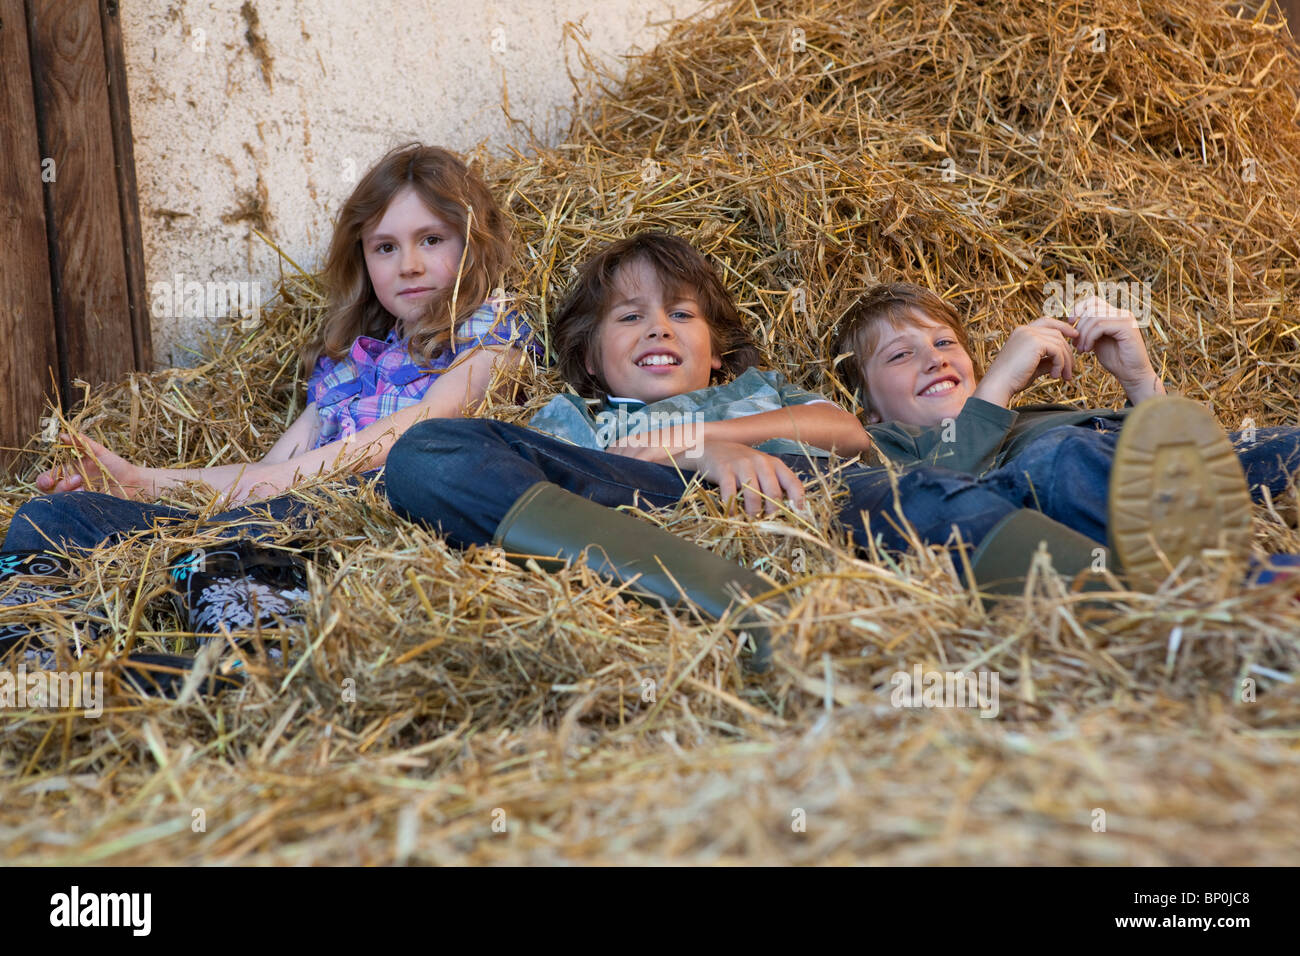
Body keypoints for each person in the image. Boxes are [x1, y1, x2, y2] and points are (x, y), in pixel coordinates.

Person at [381, 234, 1221, 671]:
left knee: (918, 495)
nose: (659, 328)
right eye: (629, 318)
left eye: (681, 314)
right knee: (428, 453)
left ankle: (1151, 621)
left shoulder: (765, 394)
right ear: (592, 358)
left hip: (813, 503)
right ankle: (752, 611)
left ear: (717, 352)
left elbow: (846, 430)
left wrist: (723, 432)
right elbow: (615, 450)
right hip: (651, 513)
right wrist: (701, 456)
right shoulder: (575, 417)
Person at [1, 144, 535, 683]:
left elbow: (431, 421)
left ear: (474, 242)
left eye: (432, 239)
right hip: (281, 507)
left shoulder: (491, 332)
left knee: (234, 545)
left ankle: (241, 680)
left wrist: (287, 483)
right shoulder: (351, 366)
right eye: (385, 247)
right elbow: (263, 473)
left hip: (366, 524)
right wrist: (143, 482)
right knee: (54, 518)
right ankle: (39, 672)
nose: (409, 264)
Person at [835, 281, 1299, 580]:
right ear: (868, 407)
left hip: (1173, 481)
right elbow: (941, 496)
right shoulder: (882, 446)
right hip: (1091, 493)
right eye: (900, 354)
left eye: (943, 342)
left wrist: (1139, 381)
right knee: (1060, 457)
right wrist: (998, 384)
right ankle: (1249, 581)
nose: (934, 358)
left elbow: (1201, 452)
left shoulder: (1038, 415)